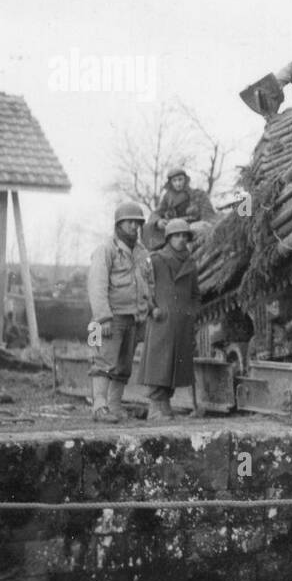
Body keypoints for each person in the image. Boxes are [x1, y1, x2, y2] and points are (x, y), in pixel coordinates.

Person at [87, 202, 152, 421]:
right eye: (130, 222)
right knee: (103, 361)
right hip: (109, 318)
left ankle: (114, 406)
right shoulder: (106, 249)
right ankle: (99, 407)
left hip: (132, 316)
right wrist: (102, 318)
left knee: (123, 365)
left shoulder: (141, 252)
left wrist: (145, 311)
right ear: (119, 224)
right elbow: (96, 285)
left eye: (137, 222)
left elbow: (147, 283)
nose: (134, 226)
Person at [138, 218, 202, 420]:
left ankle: (165, 405)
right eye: (176, 236)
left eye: (185, 236)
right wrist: (152, 309)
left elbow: (195, 294)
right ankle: (155, 408)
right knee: (159, 364)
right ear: (168, 238)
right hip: (161, 320)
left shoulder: (190, 263)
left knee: (174, 366)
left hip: (182, 322)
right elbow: (142, 287)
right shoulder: (155, 259)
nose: (181, 239)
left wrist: (191, 313)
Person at [145, 168, 218, 249]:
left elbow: (209, 218)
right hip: (174, 232)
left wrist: (198, 226)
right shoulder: (167, 199)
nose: (178, 183)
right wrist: (158, 222)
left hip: (195, 231)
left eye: (180, 179)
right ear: (170, 183)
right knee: (147, 229)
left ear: (185, 180)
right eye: (174, 181)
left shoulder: (198, 195)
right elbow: (155, 213)